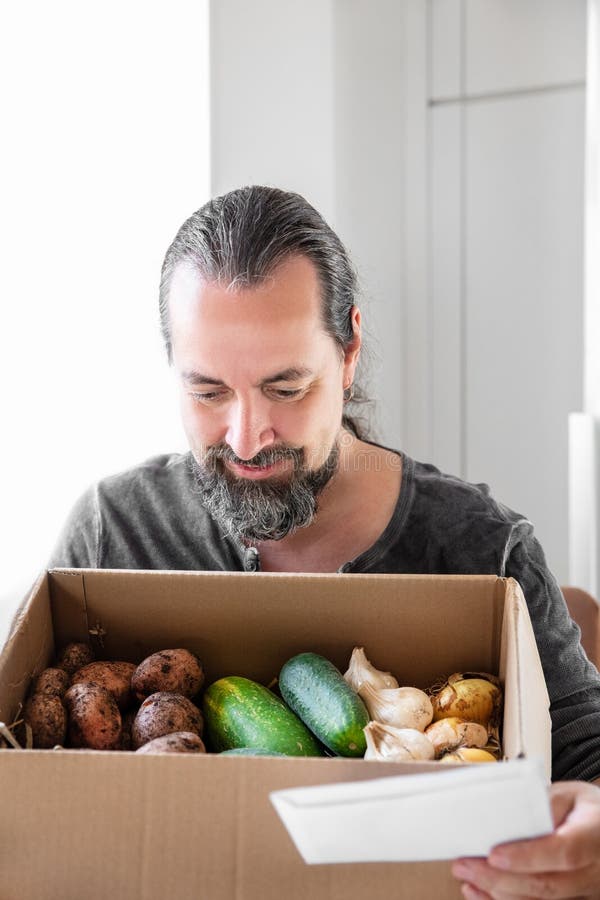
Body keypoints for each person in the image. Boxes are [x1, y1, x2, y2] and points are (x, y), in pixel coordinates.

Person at [49, 185, 600, 897]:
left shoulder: (481, 547)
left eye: (286, 387)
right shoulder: (111, 530)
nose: (247, 439)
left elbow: (585, 747)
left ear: (348, 351)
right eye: (208, 392)